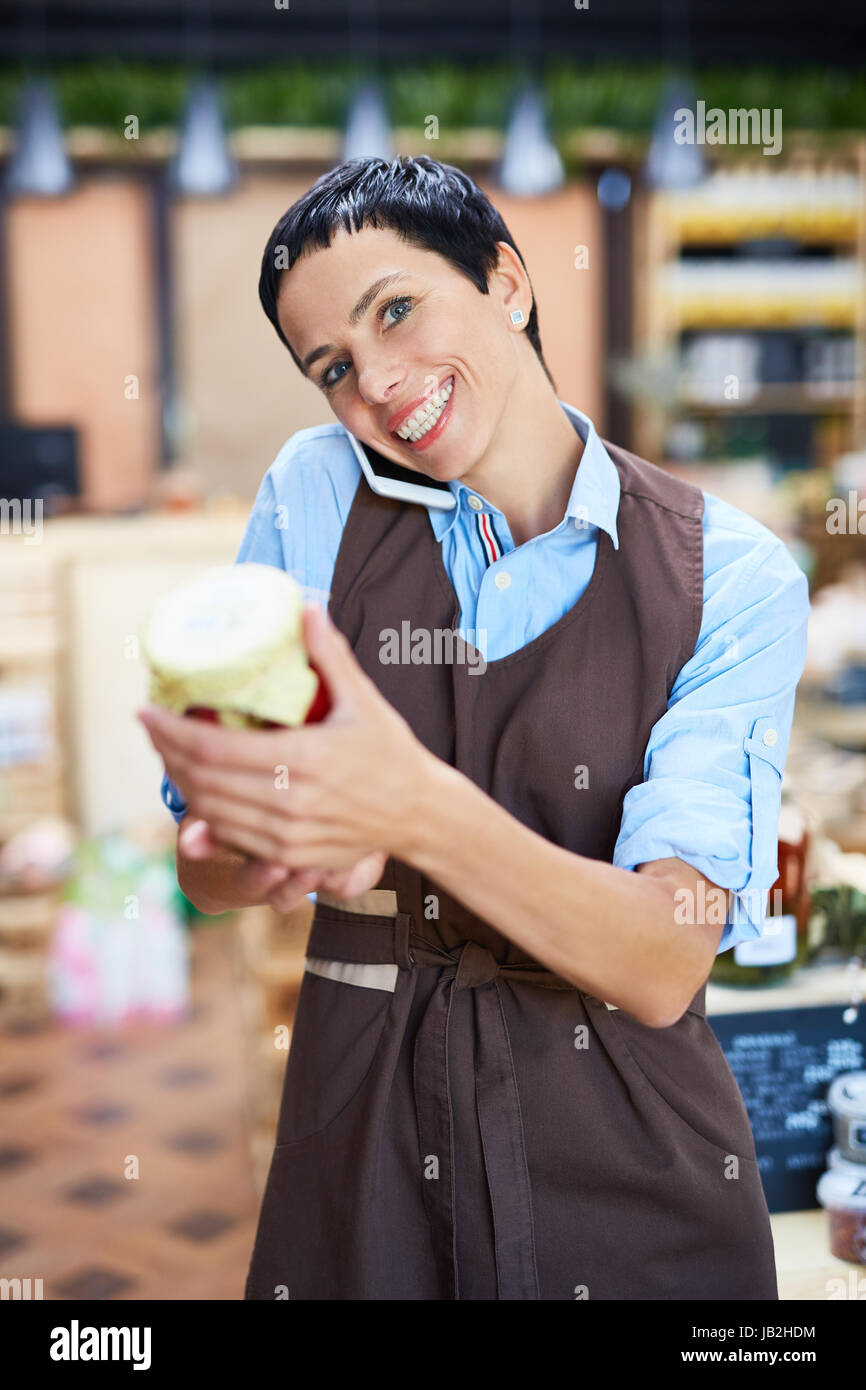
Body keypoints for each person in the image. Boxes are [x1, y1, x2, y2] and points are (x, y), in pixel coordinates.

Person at [140, 155, 810, 1300]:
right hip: (365, 1132)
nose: (379, 385)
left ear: (506, 282)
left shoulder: (725, 574)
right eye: (333, 366)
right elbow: (210, 873)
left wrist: (408, 805)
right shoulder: (317, 492)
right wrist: (254, 837)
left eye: (396, 309)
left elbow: (658, 958)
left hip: (628, 1146)